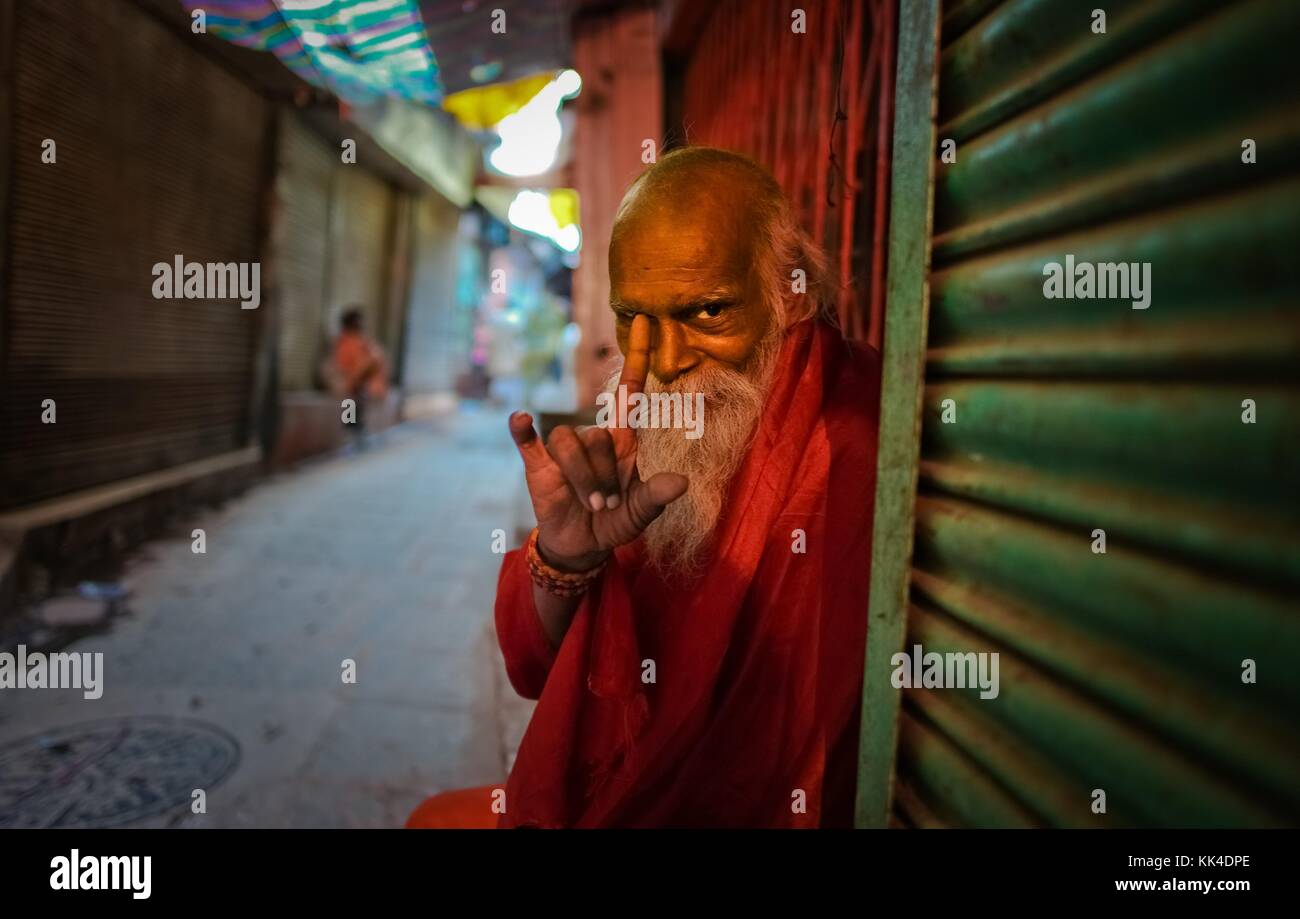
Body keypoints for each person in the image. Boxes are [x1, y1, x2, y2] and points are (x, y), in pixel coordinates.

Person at [407, 147, 881, 829]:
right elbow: (534, 666)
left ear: (791, 293)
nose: (662, 361)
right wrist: (566, 557)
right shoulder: (647, 429)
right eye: (633, 317)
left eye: (707, 312)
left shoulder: (854, 441)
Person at [330, 306, 388, 443]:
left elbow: (376, 359)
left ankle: (356, 429)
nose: (361, 325)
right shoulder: (344, 342)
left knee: (360, 397)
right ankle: (350, 430)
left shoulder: (363, 341)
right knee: (352, 399)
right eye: (358, 321)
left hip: (364, 383)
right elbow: (343, 365)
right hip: (351, 383)